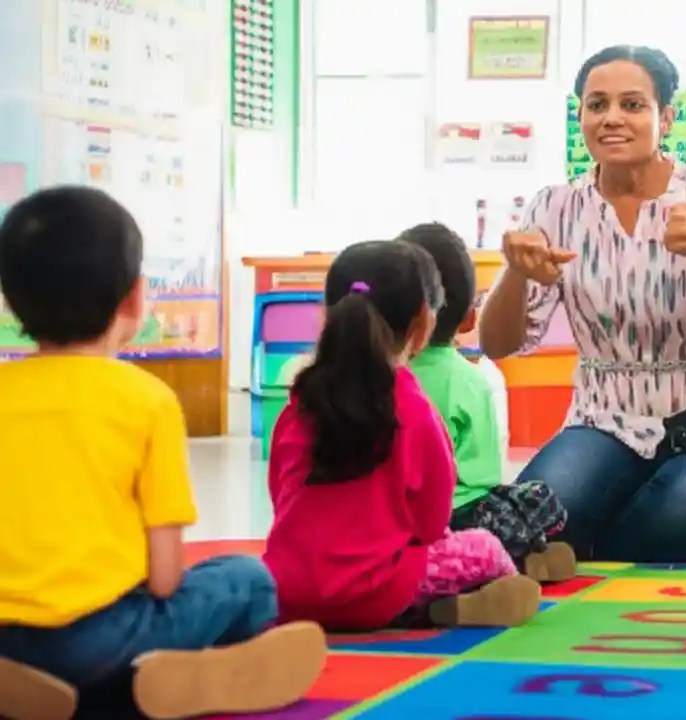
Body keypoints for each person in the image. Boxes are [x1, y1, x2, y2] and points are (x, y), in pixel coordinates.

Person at [0, 186, 325, 720]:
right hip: (100, 638)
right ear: (134, 296)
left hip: (7, 644)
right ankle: (142, 686)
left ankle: (44, 691)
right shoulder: (145, 400)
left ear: (10, 302)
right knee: (247, 580)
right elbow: (166, 578)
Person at [479, 45, 686, 563]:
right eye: (597, 105)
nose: (612, 118)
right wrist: (516, 275)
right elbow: (497, 343)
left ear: (666, 118)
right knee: (530, 514)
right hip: (598, 420)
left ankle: (588, 546)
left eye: (632, 105)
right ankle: (600, 537)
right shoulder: (556, 205)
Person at [263, 240, 541, 631]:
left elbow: (281, 496)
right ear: (424, 323)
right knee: (484, 546)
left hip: (289, 592)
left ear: (327, 315)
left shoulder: (299, 404)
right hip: (376, 594)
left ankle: (419, 607)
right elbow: (431, 521)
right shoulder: (414, 409)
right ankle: (439, 606)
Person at [397, 223, 575, 582]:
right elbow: (486, 473)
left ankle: (477, 568)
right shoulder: (473, 379)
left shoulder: (382, 376)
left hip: (402, 521)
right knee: (539, 499)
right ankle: (514, 559)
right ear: (469, 318)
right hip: (466, 516)